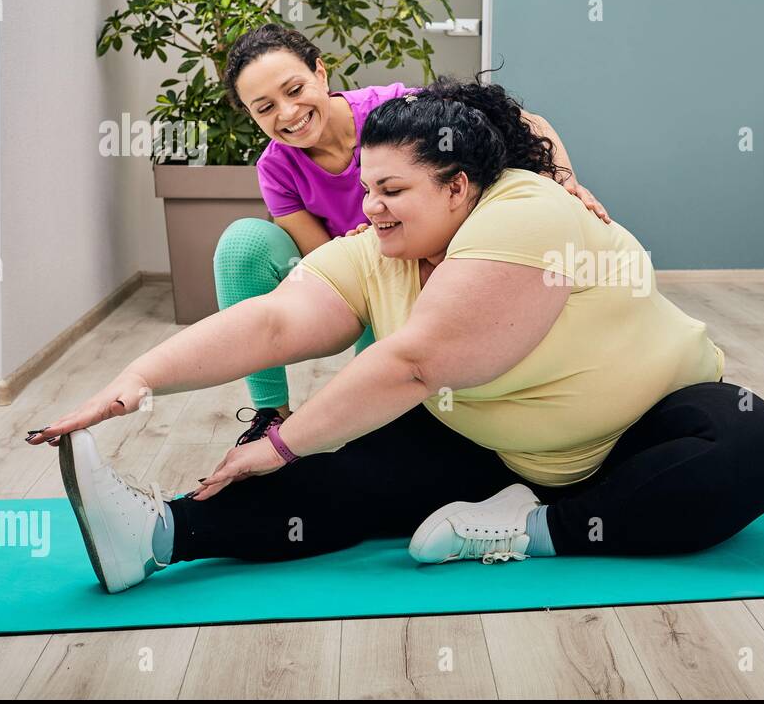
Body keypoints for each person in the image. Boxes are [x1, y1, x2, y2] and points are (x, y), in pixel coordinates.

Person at [27, 77, 764, 594]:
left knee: (755, 449)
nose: (371, 209)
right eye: (366, 190)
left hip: (650, 425)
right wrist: (138, 376)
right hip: (504, 444)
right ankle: (156, 533)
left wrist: (277, 440)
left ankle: (530, 529)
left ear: (459, 184)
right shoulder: (378, 250)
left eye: (393, 191)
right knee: (347, 468)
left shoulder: (526, 209)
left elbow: (415, 361)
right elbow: (273, 321)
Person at [217, 24, 608, 445]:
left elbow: (524, 120)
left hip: (435, 261)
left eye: (294, 89)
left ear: (320, 73)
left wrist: (562, 182)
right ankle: (270, 415)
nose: (288, 113)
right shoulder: (276, 168)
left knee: (390, 409)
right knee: (243, 244)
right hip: (371, 265)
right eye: (265, 108)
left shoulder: (393, 110)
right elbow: (322, 259)